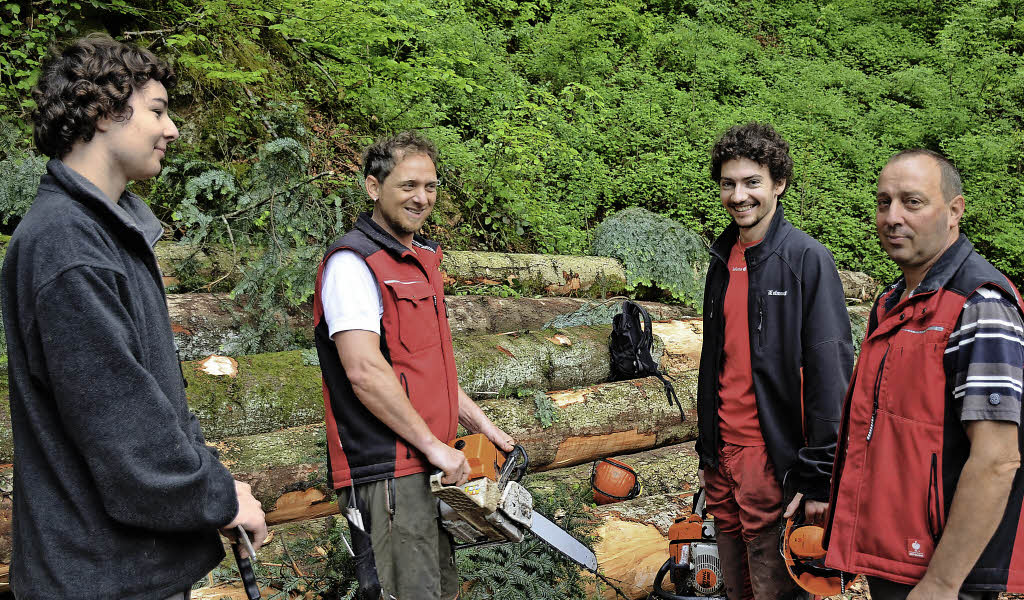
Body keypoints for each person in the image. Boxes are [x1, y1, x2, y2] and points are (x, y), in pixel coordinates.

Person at [0, 35, 267, 599]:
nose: (171, 130)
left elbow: (157, 398)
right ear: (100, 111)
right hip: (97, 577)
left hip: (129, 570)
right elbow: (124, 433)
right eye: (157, 111)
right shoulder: (66, 243)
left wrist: (213, 480)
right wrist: (218, 497)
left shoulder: (108, 232)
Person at [313, 131, 516, 600]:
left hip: (429, 464)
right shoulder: (353, 264)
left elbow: (422, 368)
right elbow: (364, 371)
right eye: (407, 186)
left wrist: (480, 423)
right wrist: (434, 447)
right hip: (390, 471)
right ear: (372, 187)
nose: (421, 197)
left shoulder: (418, 260)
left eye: (430, 186)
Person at [823, 149, 1024, 600]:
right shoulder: (893, 303)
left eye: (912, 202)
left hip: (943, 572)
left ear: (955, 211)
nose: (892, 217)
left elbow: (997, 459)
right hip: (893, 556)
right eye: (883, 202)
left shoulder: (981, 306)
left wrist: (942, 582)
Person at [695, 122, 854, 600]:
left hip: (772, 457)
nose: (739, 195)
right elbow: (715, 363)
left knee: (775, 587)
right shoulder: (722, 257)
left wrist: (821, 477)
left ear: (778, 183)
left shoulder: (806, 260)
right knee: (734, 584)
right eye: (729, 183)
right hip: (721, 455)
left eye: (752, 182)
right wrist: (707, 453)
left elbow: (831, 374)